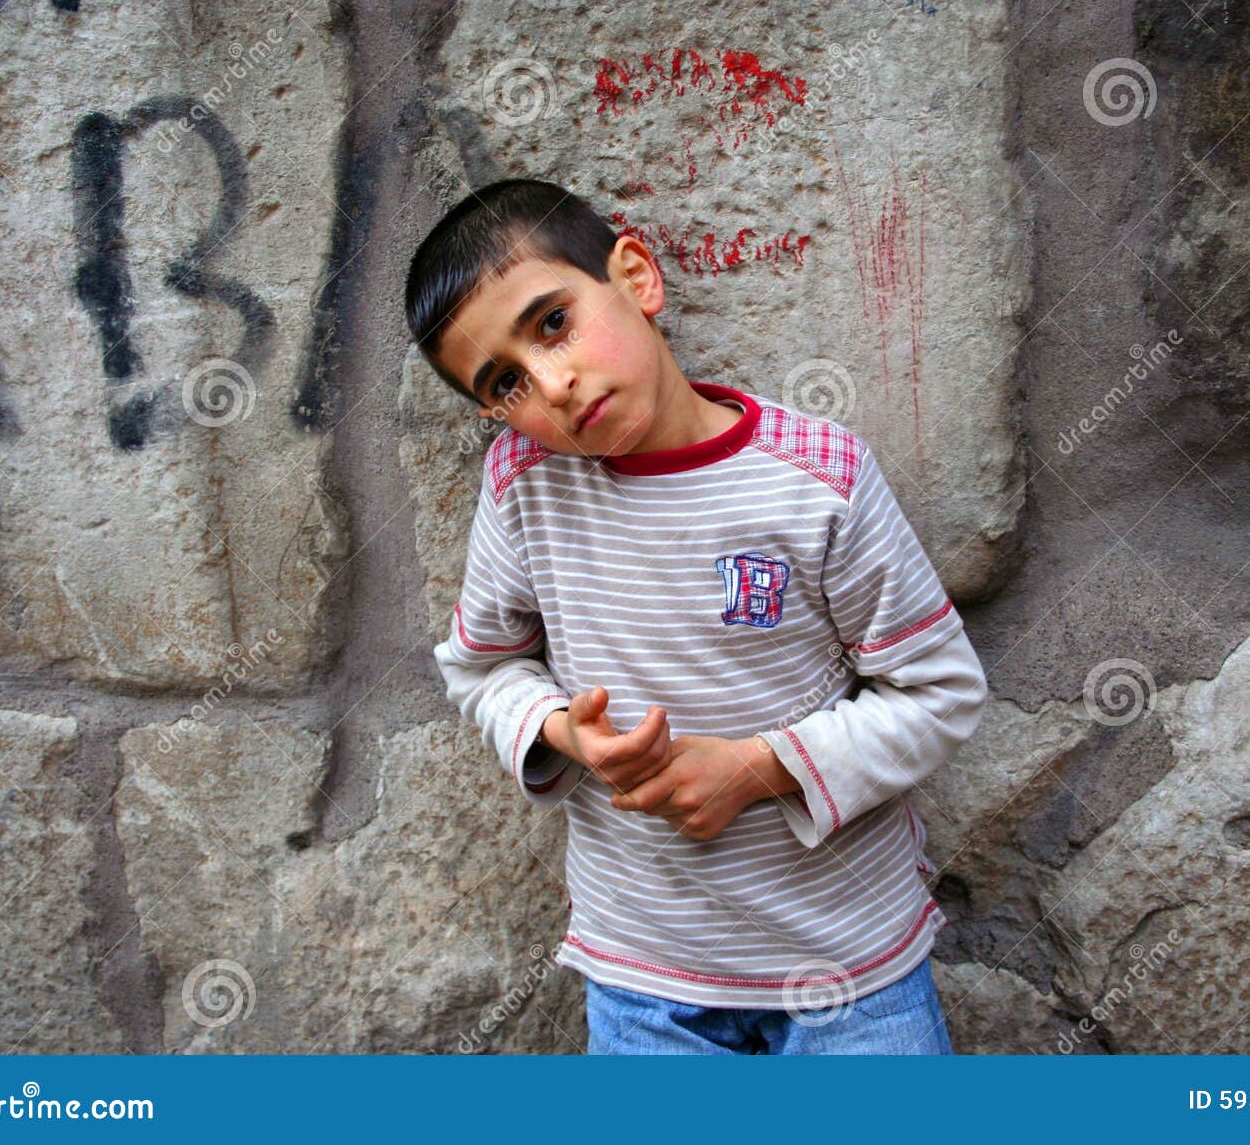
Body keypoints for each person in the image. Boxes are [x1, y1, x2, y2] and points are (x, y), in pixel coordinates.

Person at [407, 178, 988, 1055]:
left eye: (553, 322)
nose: (553, 384)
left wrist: (759, 769)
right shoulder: (525, 488)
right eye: (506, 382)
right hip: (647, 982)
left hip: (852, 969)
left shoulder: (816, 479)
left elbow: (940, 692)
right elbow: (480, 665)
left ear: (635, 275)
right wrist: (563, 731)